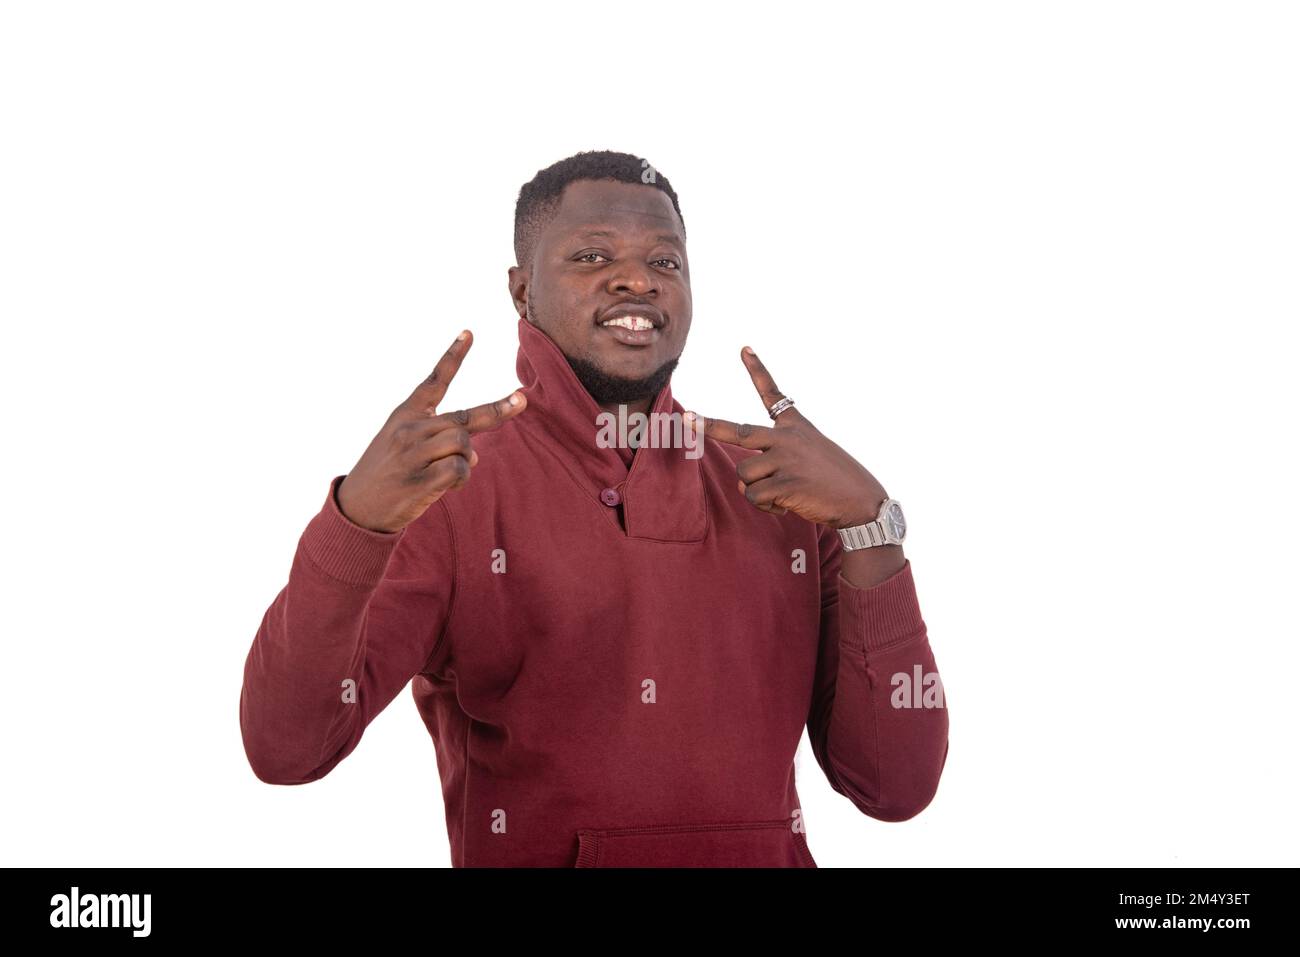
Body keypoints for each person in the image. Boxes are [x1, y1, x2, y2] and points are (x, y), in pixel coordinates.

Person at [239, 150, 949, 867]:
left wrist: (869, 523)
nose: (637, 278)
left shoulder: (783, 492)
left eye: (666, 263)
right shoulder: (446, 489)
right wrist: (356, 523)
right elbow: (286, 748)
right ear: (522, 292)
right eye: (590, 254)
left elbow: (896, 785)